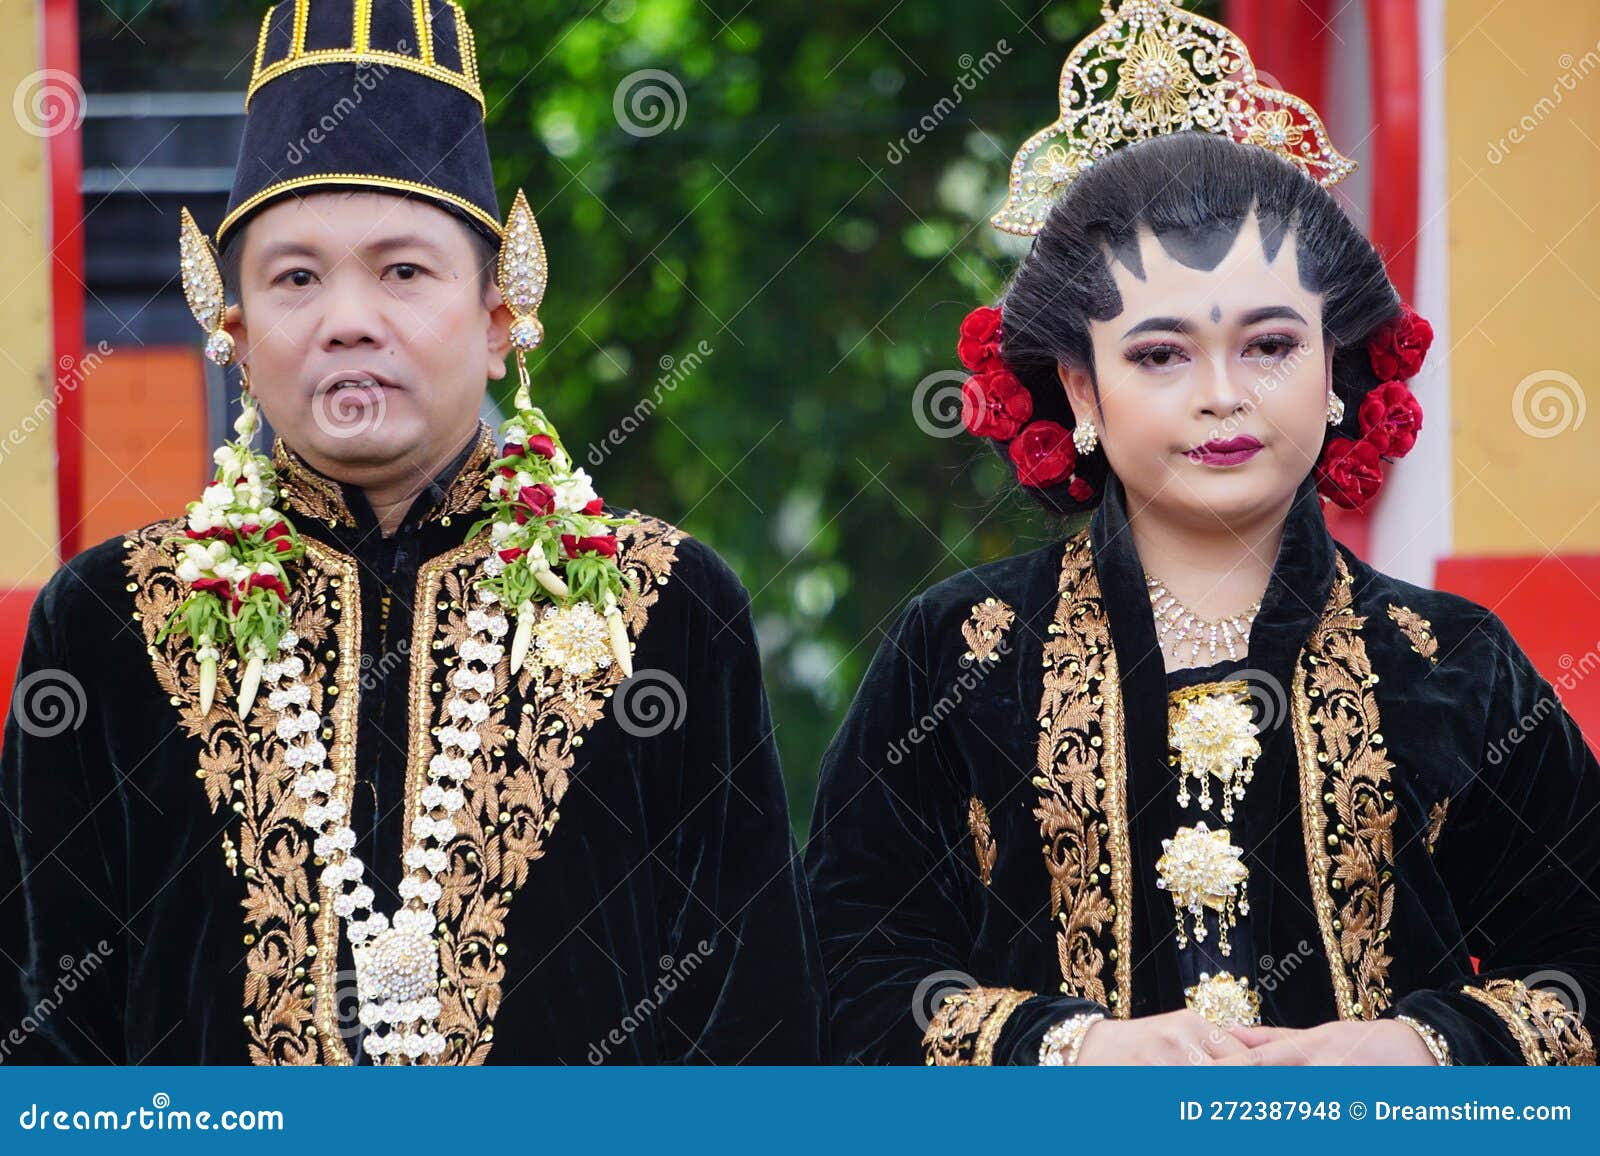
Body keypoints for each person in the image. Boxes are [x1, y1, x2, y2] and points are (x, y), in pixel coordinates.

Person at [1, 0, 822, 1065]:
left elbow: (757, 1008)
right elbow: (42, 1021)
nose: (348, 318)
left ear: (497, 319)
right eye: (296, 277)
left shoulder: (662, 599)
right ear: (234, 333)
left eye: (402, 270)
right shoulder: (108, 614)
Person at [805, 0, 1597, 1066]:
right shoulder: (956, 652)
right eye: (1160, 355)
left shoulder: (1453, 661)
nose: (1222, 396)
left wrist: (1409, 1049)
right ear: (1079, 388)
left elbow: (1579, 963)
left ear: (1332, 368)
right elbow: (843, 976)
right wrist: (1075, 1051)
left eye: (1268, 343)